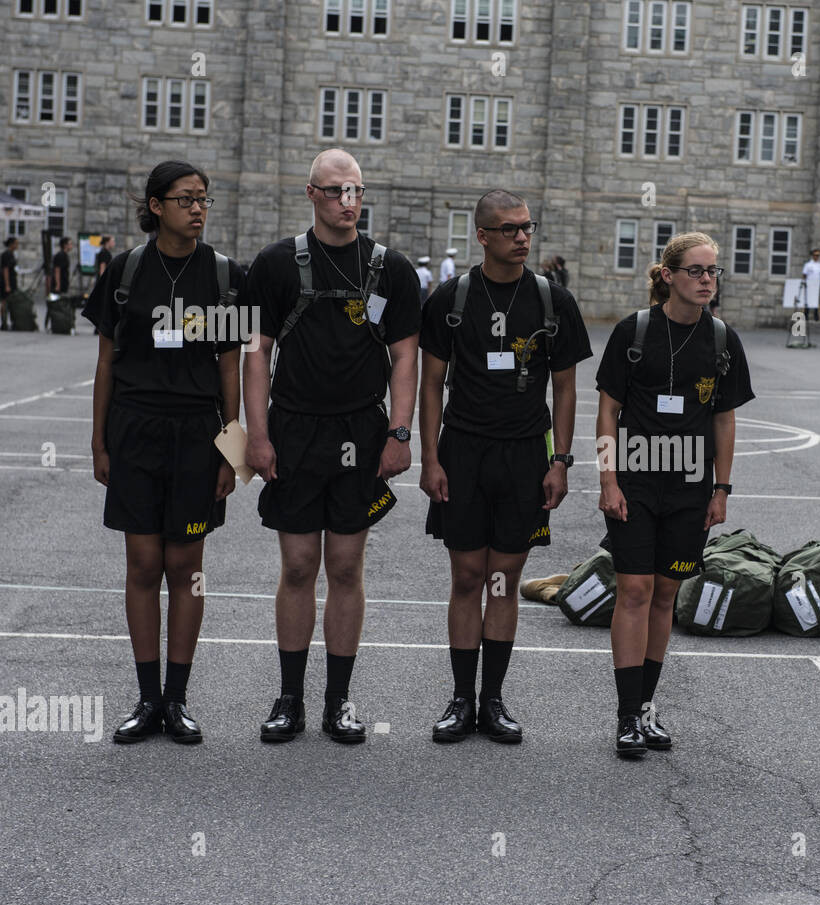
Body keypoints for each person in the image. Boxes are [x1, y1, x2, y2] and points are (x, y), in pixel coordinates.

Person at [242, 148, 421, 744]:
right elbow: (257, 352)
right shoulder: (275, 264)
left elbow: (404, 356)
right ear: (312, 194)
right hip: (293, 430)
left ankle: (338, 701)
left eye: (358, 191)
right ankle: (288, 698)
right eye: (337, 190)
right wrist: (258, 436)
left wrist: (399, 432)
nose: (349, 201)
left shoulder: (389, 269)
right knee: (297, 565)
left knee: (345, 567)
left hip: (359, 432)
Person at [420, 189, 591, 744]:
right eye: (510, 228)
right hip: (464, 451)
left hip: (524, 454)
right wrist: (430, 457)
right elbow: (430, 384)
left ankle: (493, 700)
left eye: (528, 227)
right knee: (467, 576)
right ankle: (460, 699)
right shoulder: (451, 298)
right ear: (483, 236)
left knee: (503, 580)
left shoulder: (551, 301)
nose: (522, 237)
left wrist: (560, 459)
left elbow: (565, 387)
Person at [82, 160, 244, 744]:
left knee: (187, 569)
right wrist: (99, 441)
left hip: (197, 439)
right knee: (143, 565)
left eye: (203, 199)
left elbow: (232, 365)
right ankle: (147, 699)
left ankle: (178, 699)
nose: (197, 209)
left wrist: (233, 452)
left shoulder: (225, 276)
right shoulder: (124, 271)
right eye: (185, 199)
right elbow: (105, 361)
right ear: (156, 206)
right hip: (135, 434)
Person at [596, 232, 754, 757]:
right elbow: (607, 413)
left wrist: (722, 488)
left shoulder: (722, 340)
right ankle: (624, 716)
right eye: (697, 271)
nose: (707, 280)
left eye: (713, 272)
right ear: (668, 275)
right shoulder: (634, 332)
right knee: (634, 590)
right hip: (636, 482)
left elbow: (724, 420)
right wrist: (608, 481)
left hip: (690, 487)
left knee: (665, 594)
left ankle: (645, 707)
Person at [800, 248, 820, 321]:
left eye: (818, 255)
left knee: (817, 301)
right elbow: (804, 275)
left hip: (817, 285)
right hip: (809, 285)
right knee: (807, 300)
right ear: (812, 255)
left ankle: (816, 316)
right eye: (815, 255)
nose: (816, 257)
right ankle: (806, 315)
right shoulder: (808, 265)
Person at [1, 236, 17, 330]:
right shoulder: (6, 254)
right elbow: (5, 270)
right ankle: (3, 322)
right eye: (15, 243)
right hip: (5, 282)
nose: (17, 245)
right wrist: (7, 285)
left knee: (8, 303)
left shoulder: (11, 254)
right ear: (11, 244)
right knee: (4, 302)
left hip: (11, 281)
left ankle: (7, 322)